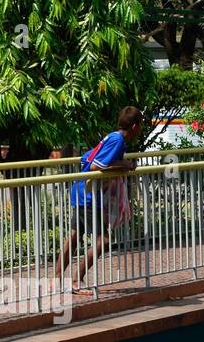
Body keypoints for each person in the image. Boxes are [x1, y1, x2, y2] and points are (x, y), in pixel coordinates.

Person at [55, 106, 145, 287]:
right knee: (102, 241)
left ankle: (57, 279)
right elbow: (96, 165)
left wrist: (120, 164)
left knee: (74, 236)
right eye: (141, 125)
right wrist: (125, 164)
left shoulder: (112, 136)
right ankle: (76, 279)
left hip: (81, 191)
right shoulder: (118, 140)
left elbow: (86, 157)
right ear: (135, 126)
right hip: (89, 195)